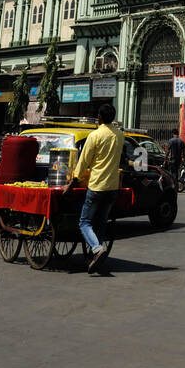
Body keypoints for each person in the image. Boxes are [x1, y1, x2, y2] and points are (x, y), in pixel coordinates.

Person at [64, 102, 124, 273]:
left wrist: (74, 181)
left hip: (97, 185)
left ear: (99, 117)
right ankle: (96, 253)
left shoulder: (95, 136)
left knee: (84, 222)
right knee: (101, 222)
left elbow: (83, 162)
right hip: (112, 187)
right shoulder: (120, 135)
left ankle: (97, 249)